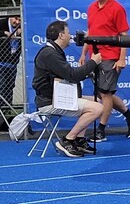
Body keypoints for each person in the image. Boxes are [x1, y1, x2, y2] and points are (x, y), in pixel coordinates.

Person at [80, 0, 130, 140]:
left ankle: (101, 129)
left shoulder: (117, 8)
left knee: (105, 93)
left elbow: (124, 35)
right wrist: (83, 54)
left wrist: (122, 59)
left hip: (110, 56)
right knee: (102, 93)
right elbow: (90, 32)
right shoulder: (91, 7)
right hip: (94, 56)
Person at [33, 20, 105, 157]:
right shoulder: (49, 54)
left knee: (98, 102)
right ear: (61, 35)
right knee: (97, 108)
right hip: (49, 101)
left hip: (57, 97)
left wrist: (86, 71)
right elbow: (72, 75)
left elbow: (69, 75)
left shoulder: (54, 52)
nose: (70, 36)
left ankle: (78, 139)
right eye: (68, 33)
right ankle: (68, 139)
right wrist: (93, 62)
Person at [0, 15, 22, 103]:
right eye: (16, 19)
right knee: (0, 85)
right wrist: (4, 33)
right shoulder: (2, 23)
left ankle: (8, 107)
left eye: (20, 20)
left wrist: (21, 33)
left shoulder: (23, 26)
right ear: (10, 17)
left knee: (9, 86)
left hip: (12, 62)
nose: (17, 22)